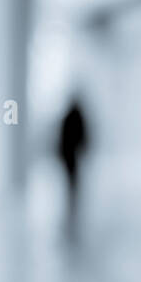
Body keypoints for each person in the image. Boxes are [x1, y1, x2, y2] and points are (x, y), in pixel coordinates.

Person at [56, 97, 90, 244]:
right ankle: (72, 198)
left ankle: (72, 199)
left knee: (71, 179)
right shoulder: (76, 118)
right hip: (72, 155)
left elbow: (62, 139)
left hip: (69, 155)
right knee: (73, 179)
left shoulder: (68, 117)